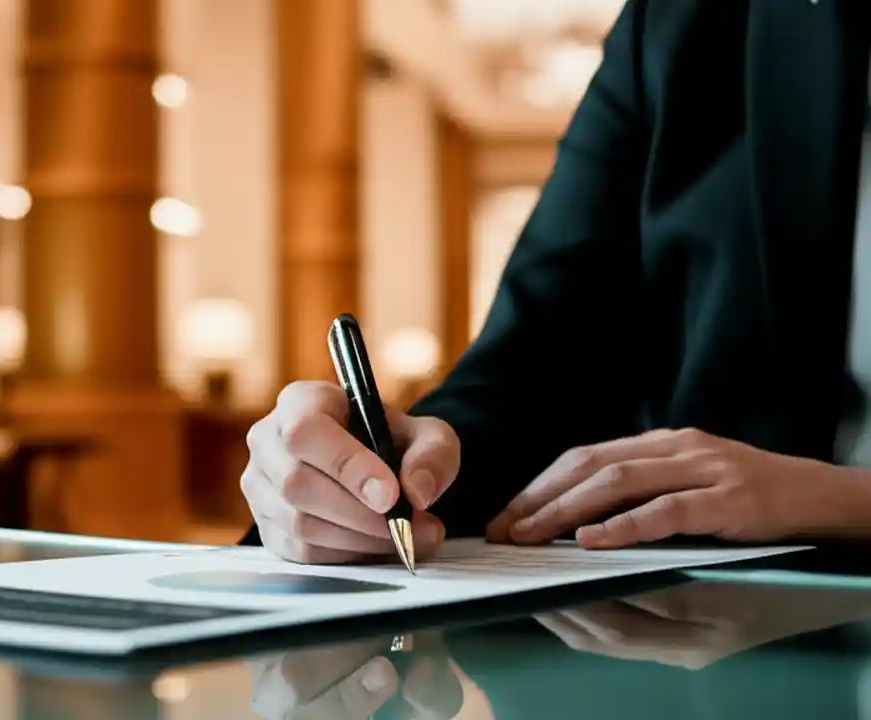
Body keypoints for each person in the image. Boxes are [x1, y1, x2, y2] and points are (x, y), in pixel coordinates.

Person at [241, 0, 871, 563]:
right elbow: (531, 372)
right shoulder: (684, 21)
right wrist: (367, 476)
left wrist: (845, 501)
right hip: (710, 640)